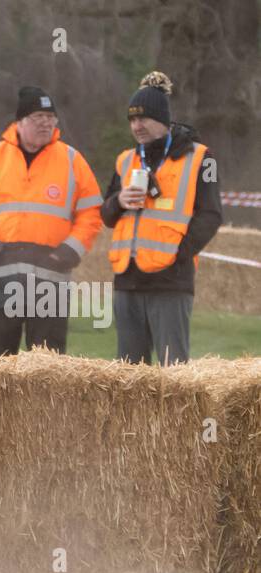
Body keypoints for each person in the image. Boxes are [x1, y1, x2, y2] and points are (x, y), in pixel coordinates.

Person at [0, 86, 103, 355]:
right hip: (0, 282)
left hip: (50, 284)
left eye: (51, 118)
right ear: (19, 123)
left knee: (46, 373)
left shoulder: (72, 160)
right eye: (38, 117)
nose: (46, 124)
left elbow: (92, 212)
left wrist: (69, 251)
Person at [100, 71, 222, 366]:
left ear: (163, 120)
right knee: (129, 378)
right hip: (127, 282)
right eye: (131, 119)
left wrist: (177, 254)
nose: (136, 125)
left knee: (174, 374)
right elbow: (106, 214)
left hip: (170, 282)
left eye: (143, 118)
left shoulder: (203, 158)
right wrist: (119, 201)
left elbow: (212, 215)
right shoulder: (126, 160)